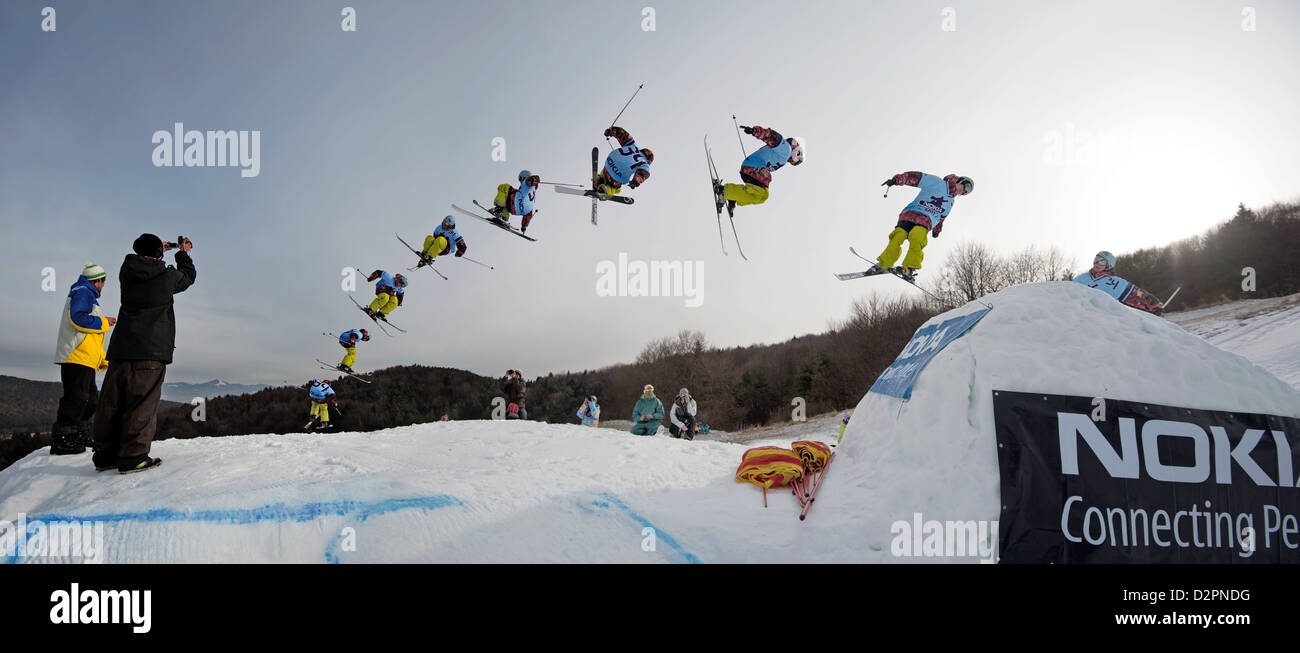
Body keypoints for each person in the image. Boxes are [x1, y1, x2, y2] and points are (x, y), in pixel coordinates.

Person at [92, 234, 196, 474]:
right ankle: (133, 456)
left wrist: (162, 249)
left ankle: (106, 454)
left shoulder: (126, 272)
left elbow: (146, 262)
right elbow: (188, 277)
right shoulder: (166, 276)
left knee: (112, 402)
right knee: (142, 403)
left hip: (121, 349)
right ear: (158, 254)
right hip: (150, 349)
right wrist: (182, 253)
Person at [51, 262, 117, 455]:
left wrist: (102, 359)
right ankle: (63, 439)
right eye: (103, 281)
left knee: (90, 401)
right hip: (75, 356)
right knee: (76, 398)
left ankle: (77, 435)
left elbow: (90, 336)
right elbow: (78, 319)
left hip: (85, 358)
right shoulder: (83, 292)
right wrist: (104, 322)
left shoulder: (88, 295)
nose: (104, 285)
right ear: (96, 280)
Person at [873, 171, 974, 281]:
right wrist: (897, 180)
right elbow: (916, 178)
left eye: (966, 192)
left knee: (916, 236)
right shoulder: (937, 182)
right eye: (966, 187)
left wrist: (937, 230)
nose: (963, 191)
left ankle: (909, 267)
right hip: (911, 212)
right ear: (961, 180)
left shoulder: (950, 202)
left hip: (926, 219)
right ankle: (884, 263)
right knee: (898, 236)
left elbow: (941, 217)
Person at [715, 125, 804, 217]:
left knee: (763, 197)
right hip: (753, 167)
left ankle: (734, 196)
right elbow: (772, 137)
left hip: (754, 168)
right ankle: (724, 191)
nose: (794, 162)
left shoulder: (784, 158)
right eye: (797, 159)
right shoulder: (786, 150)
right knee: (761, 192)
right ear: (796, 152)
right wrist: (756, 131)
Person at [1072, 251, 1166, 315]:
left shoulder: (1116, 282)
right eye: (1096, 260)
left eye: (1102, 262)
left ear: (1109, 264)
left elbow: (1136, 294)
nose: (1097, 263)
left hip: (1102, 318)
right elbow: (1066, 294)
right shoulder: (1081, 278)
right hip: (1081, 316)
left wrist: (1154, 305)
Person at [595, 126, 653, 196]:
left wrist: (612, 131)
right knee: (617, 188)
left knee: (607, 172)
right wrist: (635, 183)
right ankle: (606, 190)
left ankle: (600, 179)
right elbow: (642, 175)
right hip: (619, 175)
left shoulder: (633, 146)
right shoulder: (645, 164)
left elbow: (622, 134)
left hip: (610, 161)